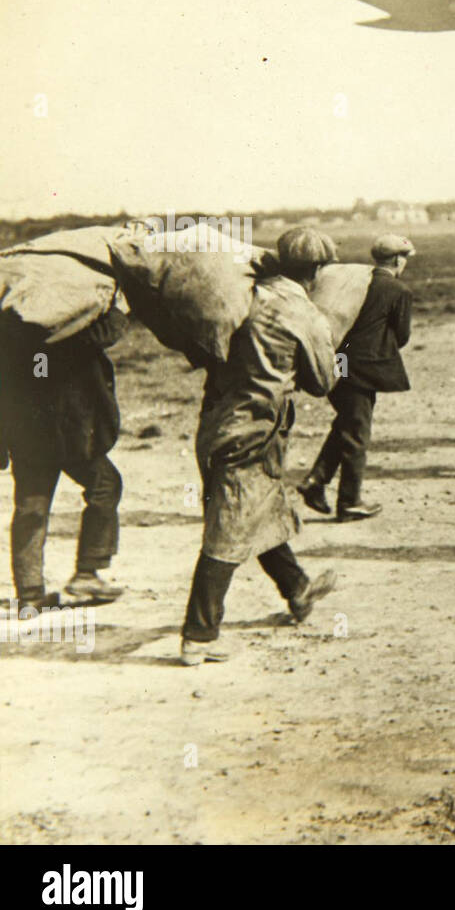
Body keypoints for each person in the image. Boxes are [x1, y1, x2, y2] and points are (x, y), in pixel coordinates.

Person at [180, 226, 340, 665]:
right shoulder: (301, 312)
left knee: (258, 508)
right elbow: (323, 381)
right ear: (317, 270)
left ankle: (297, 589)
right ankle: (198, 636)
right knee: (230, 525)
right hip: (253, 433)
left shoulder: (242, 294)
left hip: (215, 424)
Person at [0, 306, 128, 615]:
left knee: (32, 505)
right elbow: (108, 332)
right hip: (69, 426)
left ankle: (29, 592)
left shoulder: (5, 316)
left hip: (27, 426)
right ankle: (86, 572)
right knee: (105, 484)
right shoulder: (75, 317)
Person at [301, 233, 415, 521]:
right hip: (363, 369)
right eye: (405, 259)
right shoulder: (398, 290)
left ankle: (316, 481)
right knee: (356, 433)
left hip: (336, 362)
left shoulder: (357, 282)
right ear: (398, 260)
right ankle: (349, 502)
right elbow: (402, 336)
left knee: (347, 423)